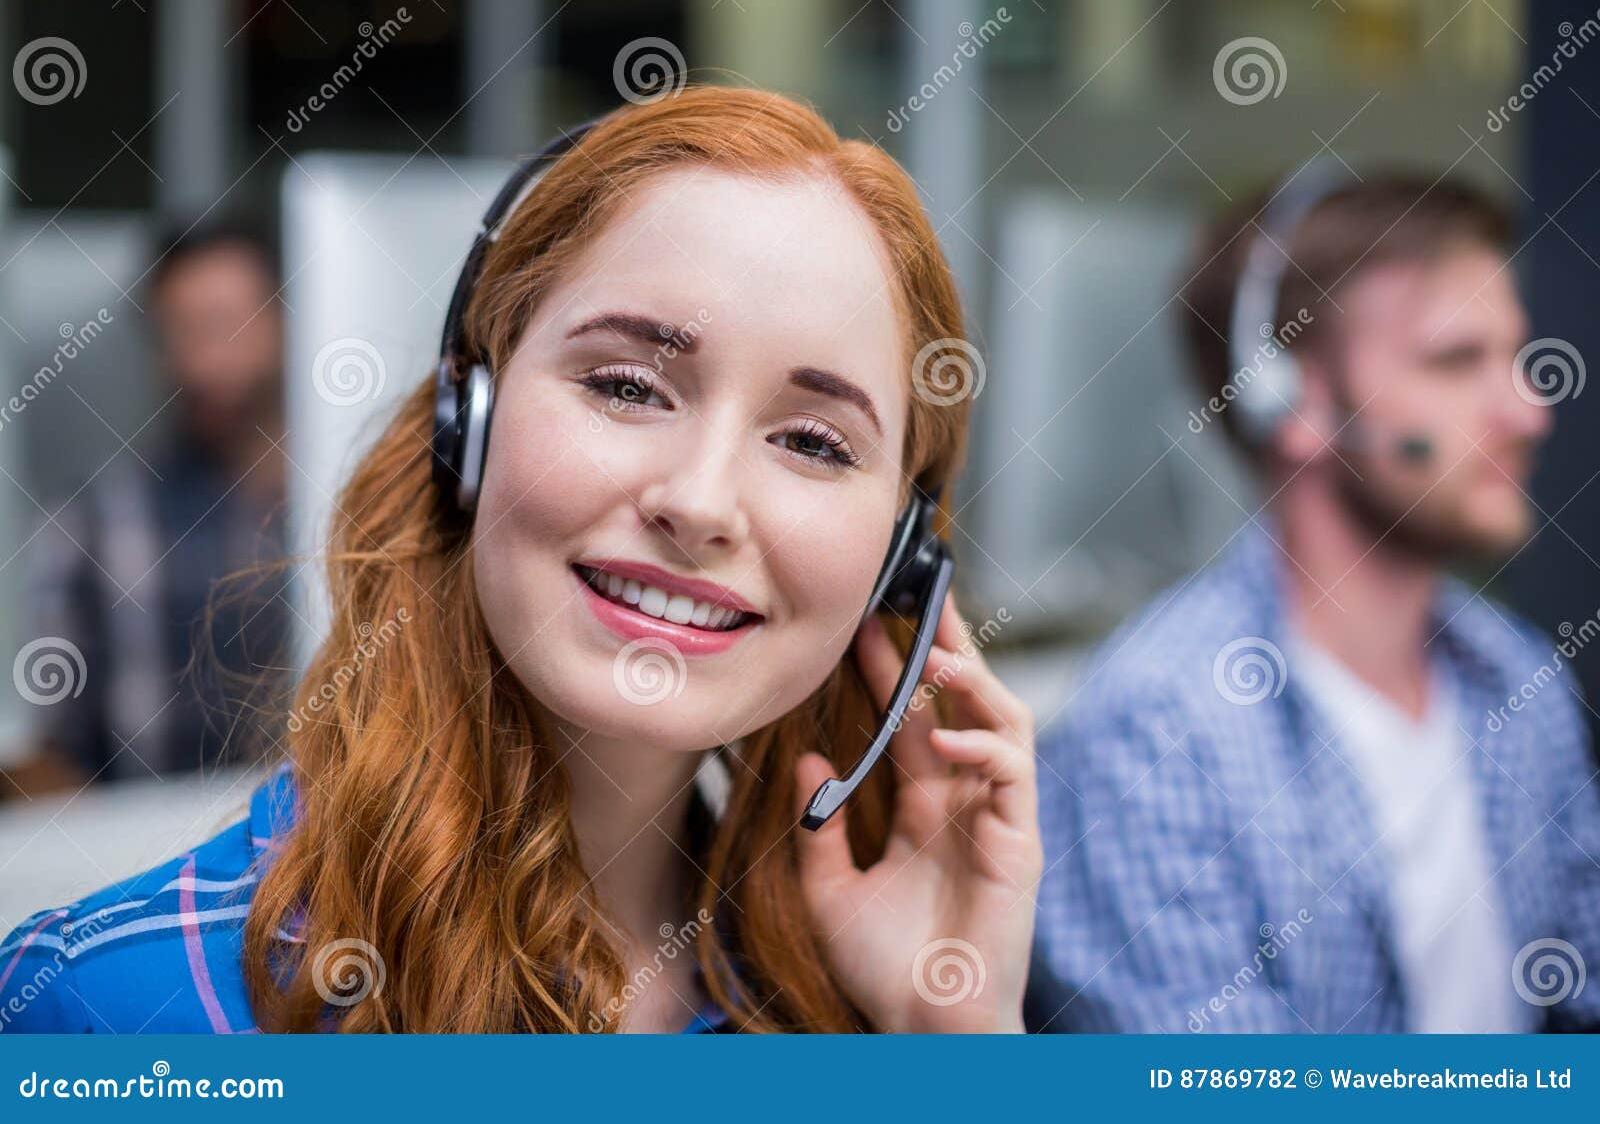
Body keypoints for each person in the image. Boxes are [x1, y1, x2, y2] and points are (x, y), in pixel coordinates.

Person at [0, 87, 1040, 1034]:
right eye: (629, 385)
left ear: (901, 555)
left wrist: (950, 1034)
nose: (699, 500)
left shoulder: (841, 1000)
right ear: (471, 424)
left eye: (813, 441)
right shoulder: (107, 1007)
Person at [1028, 166, 1600, 1033]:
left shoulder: (1519, 680)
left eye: (1516, 356)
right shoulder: (1157, 727)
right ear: (1289, 397)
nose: (1528, 408)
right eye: (1456, 361)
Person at [6, 220, 292, 793]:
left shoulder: (359, 501)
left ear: (288, 321)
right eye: (177, 333)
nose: (203, 361)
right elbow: (41, 755)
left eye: (224, 325)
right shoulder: (94, 520)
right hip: (151, 861)